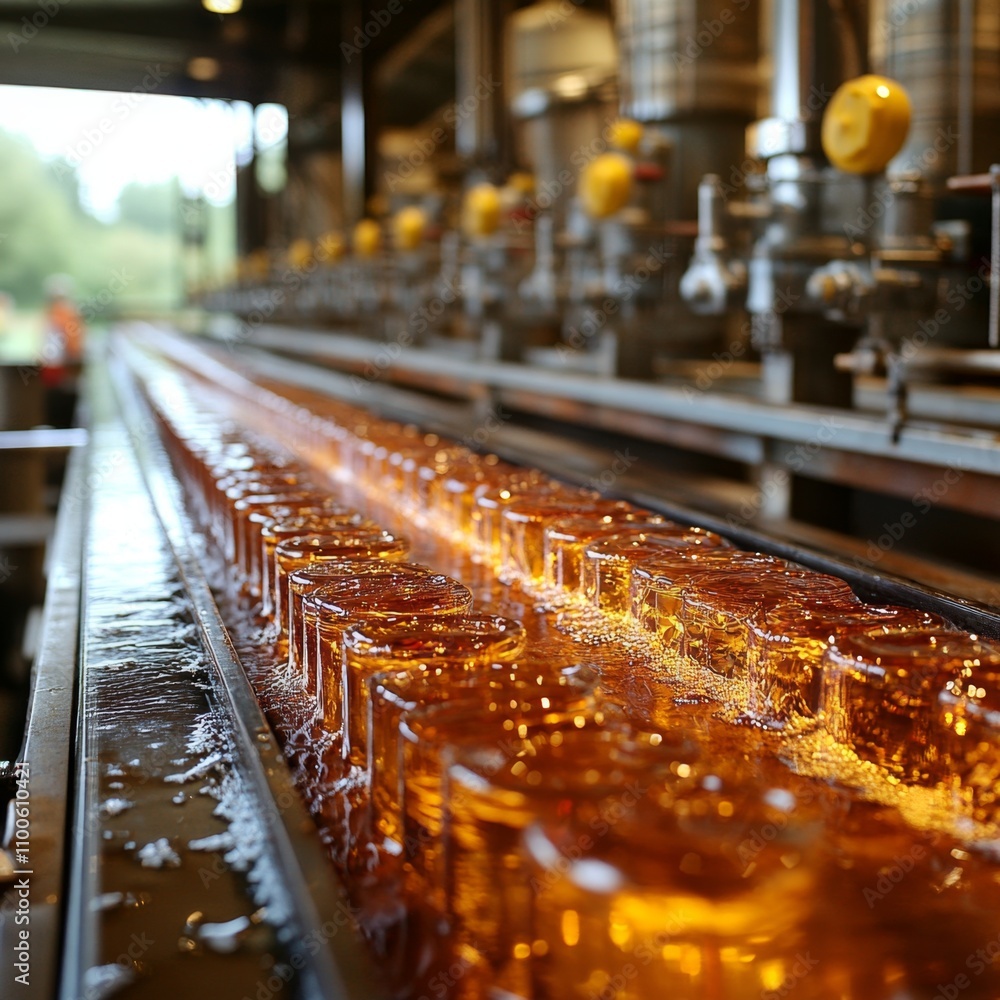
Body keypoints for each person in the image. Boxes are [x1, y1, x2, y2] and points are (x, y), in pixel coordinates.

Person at [41, 275, 84, 427]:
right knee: (60, 414)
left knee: (58, 413)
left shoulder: (56, 313)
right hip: (59, 372)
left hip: (58, 371)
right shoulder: (64, 314)